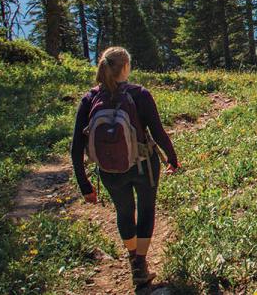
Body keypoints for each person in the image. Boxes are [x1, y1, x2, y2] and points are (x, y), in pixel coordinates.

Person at [71, 46, 180, 288]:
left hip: (110, 171)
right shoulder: (140, 94)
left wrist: (84, 184)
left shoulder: (90, 99)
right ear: (126, 67)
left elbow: (76, 146)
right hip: (143, 166)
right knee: (146, 209)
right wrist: (172, 158)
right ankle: (141, 263)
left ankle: (132, 258)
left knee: (123, 211)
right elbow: (158, 133)